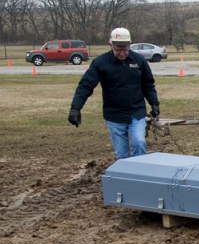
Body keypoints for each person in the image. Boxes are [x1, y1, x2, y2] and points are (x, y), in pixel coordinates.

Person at [67, 27, 159, 159]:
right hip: (114, 116)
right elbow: (85, 86)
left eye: (125, 49)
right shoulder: (100, 63)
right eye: (118, 49)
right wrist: (75, 108)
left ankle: (138, 175)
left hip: (136, 113)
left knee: (139, 143)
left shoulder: (139, 61)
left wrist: (154, 103)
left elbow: (148, 84)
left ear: (130, 45)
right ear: (110, 45)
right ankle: (123, 178)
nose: (122, 53)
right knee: (121, 154)